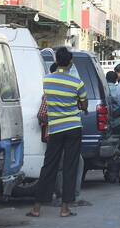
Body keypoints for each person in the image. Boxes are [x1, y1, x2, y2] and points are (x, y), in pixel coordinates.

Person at [28, 48, 88, 218]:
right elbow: (83, 105)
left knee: (49, 166)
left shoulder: (46, 80)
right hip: (73, 128)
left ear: (56, 60)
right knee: (70, 167)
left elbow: (48, 99)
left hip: (55, 128)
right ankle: (64, 209)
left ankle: (37, 208)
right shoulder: (77, 83)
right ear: (70, 62)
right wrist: (76, 103)